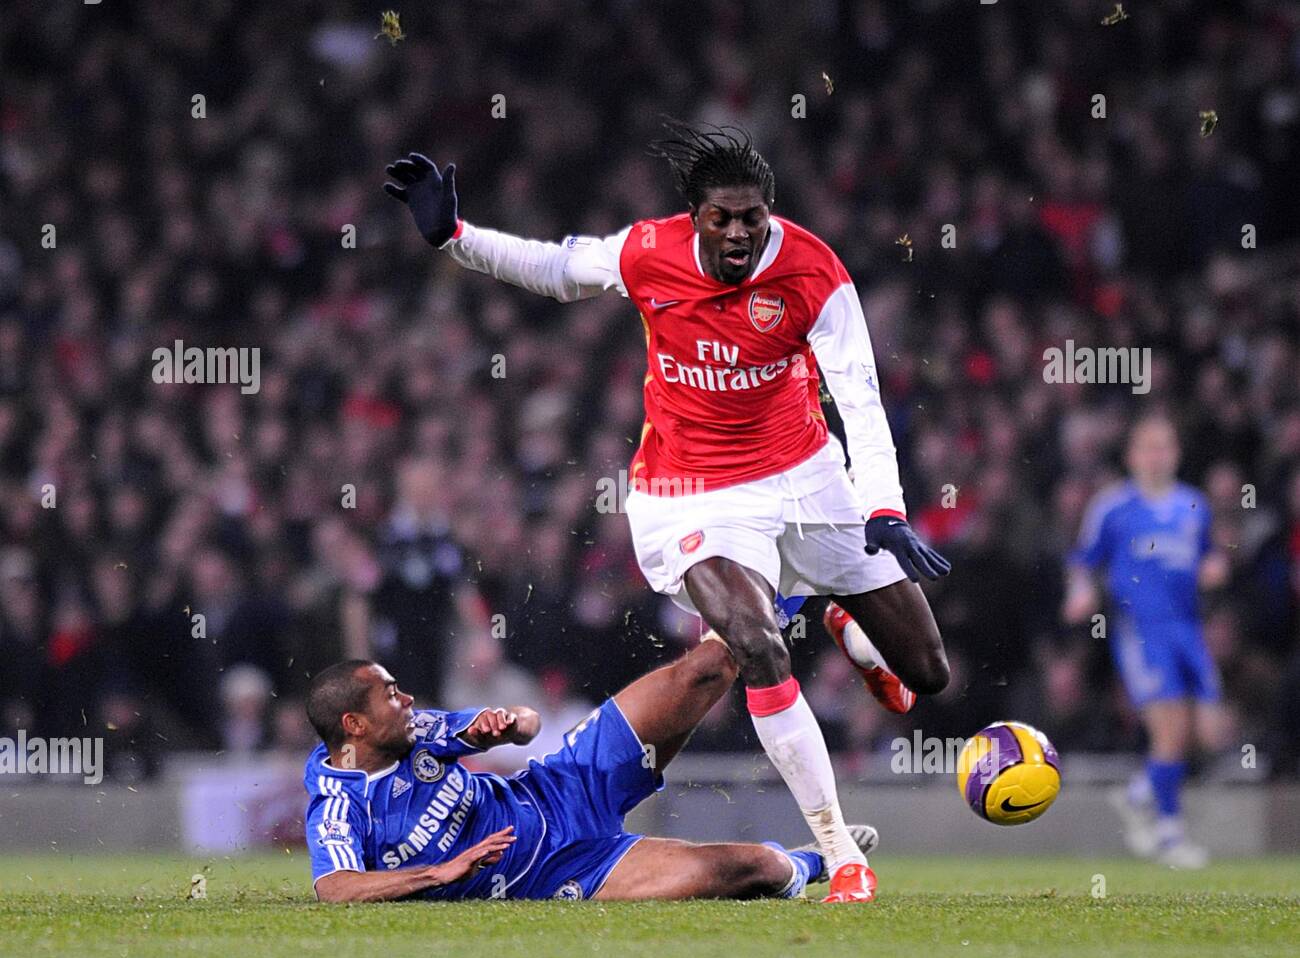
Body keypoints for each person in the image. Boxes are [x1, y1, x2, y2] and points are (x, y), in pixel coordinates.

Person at [383, 119, 950, 902]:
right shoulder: (648, 251)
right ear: (696, 216)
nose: (740, 232)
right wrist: (454, 234)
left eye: (753, 217)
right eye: (723, 217)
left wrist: (882, 507)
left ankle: (829, 608)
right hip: (695, 493)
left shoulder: (814, 271)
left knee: (928, 671)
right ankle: (840, 847)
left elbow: (860, 393)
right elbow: (554, 269)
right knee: (754, 644)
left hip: (807, 481)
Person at [303, 638, 877, 903]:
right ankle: (819, 859)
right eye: (390, 695)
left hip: (566, 782)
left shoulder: (415, 731)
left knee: (708, 666)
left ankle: (803, 588)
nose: (406, 700)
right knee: (759, 867)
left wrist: (506, 725)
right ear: (353, 726)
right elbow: (335, 887)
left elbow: (527, 723)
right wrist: (441, 873)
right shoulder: (339, 802)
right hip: (568, 872)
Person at [1063, 415, 1230, 868]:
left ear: (1175, 453)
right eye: (1148, 448)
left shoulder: (1193, 505)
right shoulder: (1113, 507)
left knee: (1208, 732)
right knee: (1170, 729)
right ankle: (1171, 834)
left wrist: (1214, 568)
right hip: (1141, 631)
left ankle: (1138, 794)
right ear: (1132, 456)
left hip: (1188, 629)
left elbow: (1209, 555)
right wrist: (1081, 592)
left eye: (1165, 447)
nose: (1157, 457)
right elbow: (1083, 559)